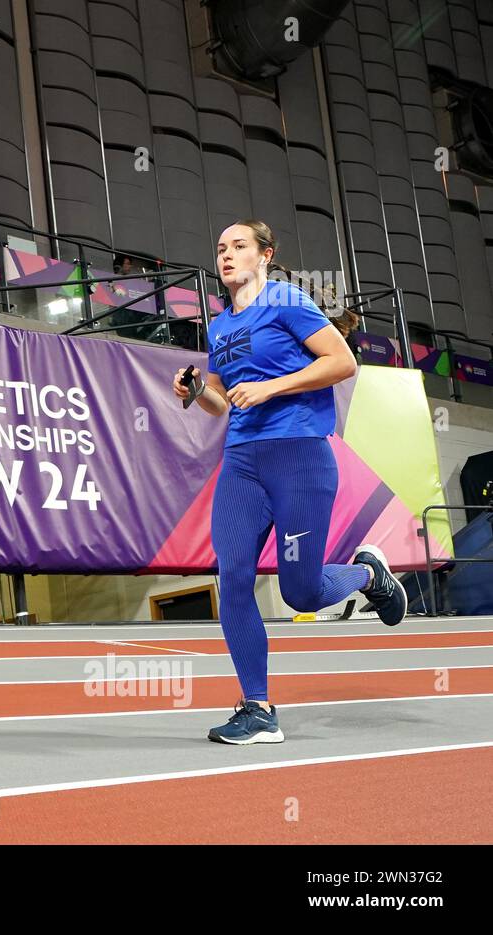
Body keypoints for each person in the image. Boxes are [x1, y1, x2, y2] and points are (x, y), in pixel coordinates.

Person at [171, 219, 407, 745]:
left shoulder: (289, 301)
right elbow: (219, 403)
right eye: (220, 247)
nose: (227, 255)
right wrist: (193, 393)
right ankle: (257, 708)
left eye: (238, 246)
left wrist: (272, 387)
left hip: (299, 458)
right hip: (242, 464)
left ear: (265, 255)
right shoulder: (220, 326)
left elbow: (341, 362)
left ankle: (368, 576)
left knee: (301, 594)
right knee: (232, 578)